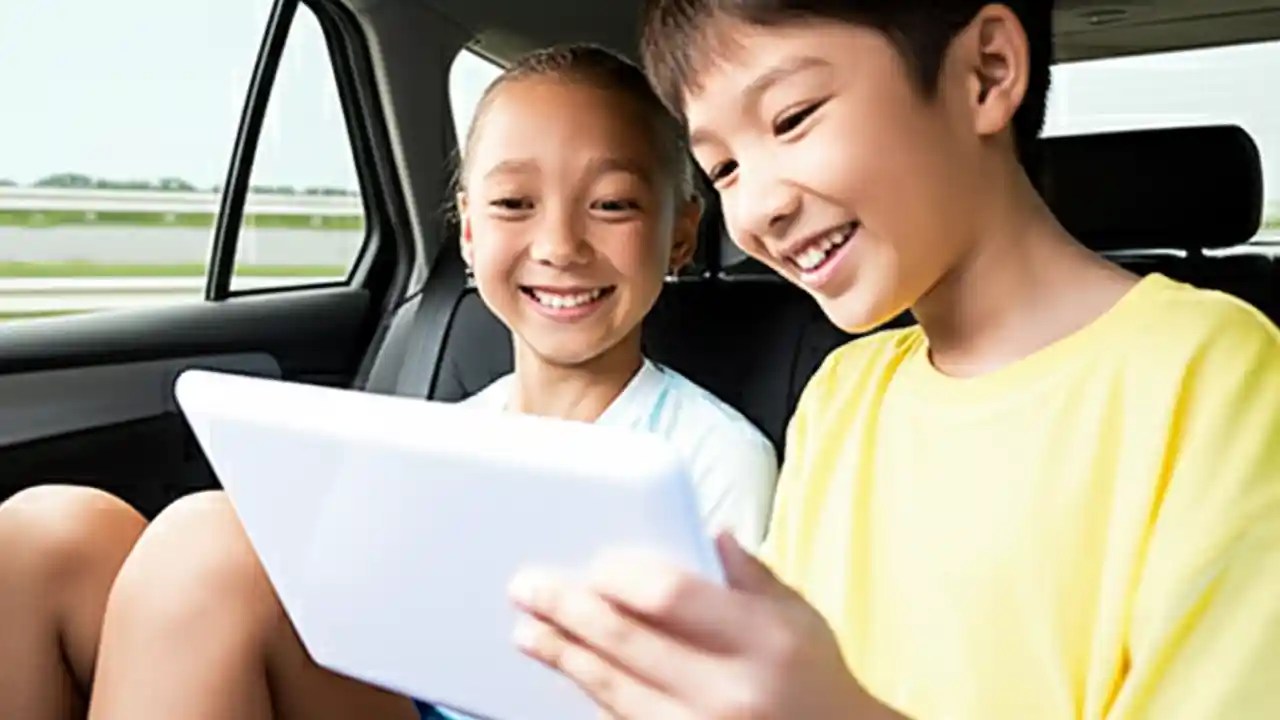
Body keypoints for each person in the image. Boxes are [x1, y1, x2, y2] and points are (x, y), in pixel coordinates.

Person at [508, 2, 1280, 719]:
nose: (756, 210)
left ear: (986, 73)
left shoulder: (1216, 379)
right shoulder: (845, 393)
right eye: (724, 170)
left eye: (794, 118)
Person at [0, 44, 778, 720]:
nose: (560, 244)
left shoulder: (712, 458)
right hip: (390, 693)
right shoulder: (443, 434)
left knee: (211, 540)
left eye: (611, 205)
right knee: (48, 531)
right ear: (470, 233)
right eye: (514, 204)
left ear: (680, 232)